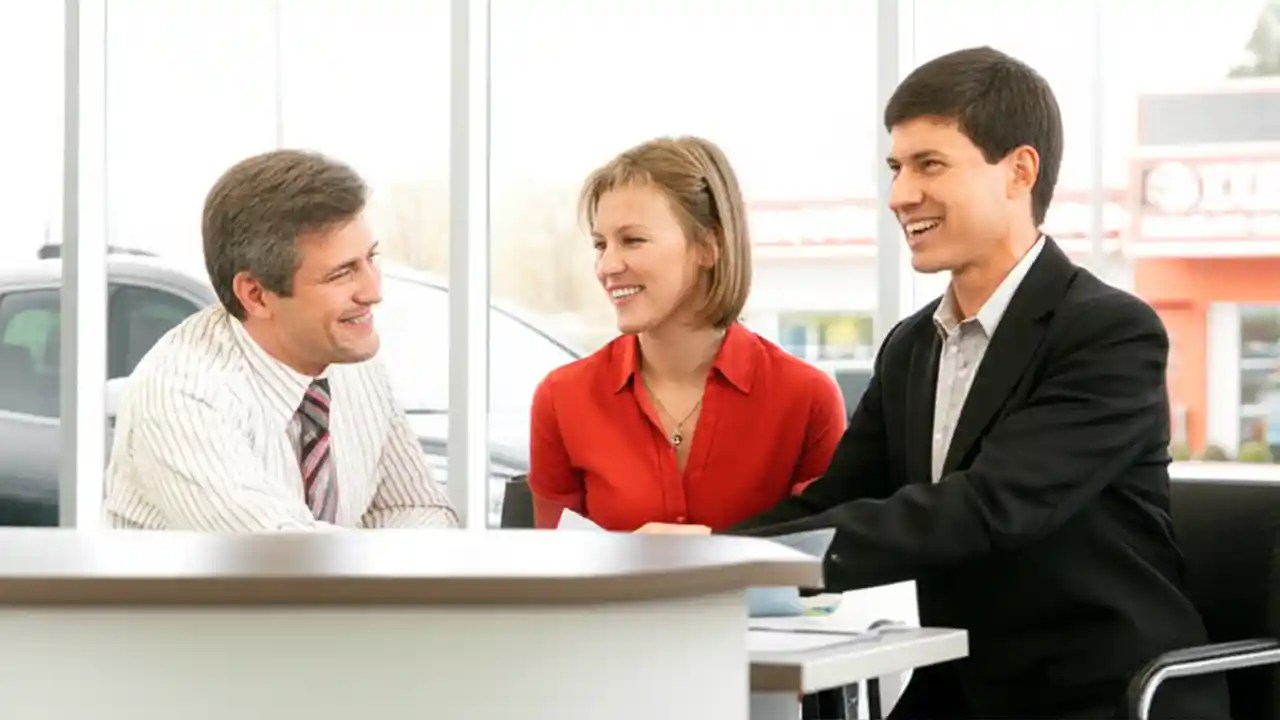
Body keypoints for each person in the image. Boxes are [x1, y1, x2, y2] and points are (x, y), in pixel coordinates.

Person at [639, 48, 1229, 718]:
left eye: (930, 164)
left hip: (1102, 694)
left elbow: (986, 508)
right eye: (896, 168)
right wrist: (715, 555)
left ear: (1019, 171)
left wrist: (738, 560)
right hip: (960, 686)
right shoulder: (912, 346)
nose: (900, 195)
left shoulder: (1109, 333)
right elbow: (839, 499)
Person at [104, 149, 458, 531]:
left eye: (371, 259)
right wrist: (390, 557)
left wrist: (383, 555)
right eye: (342, 273)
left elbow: (419, 508)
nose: (373, 291)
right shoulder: (182, 397)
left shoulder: (350, 357)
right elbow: (283, 555)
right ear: (256, 295)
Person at [527, 136, 846, 531]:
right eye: (600, 245)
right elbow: (554, 562)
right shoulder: (561, 399)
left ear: (708, 246)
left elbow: (824, 556)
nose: (607, 266)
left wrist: (708, 551)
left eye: (632, 240)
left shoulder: (807, 399)